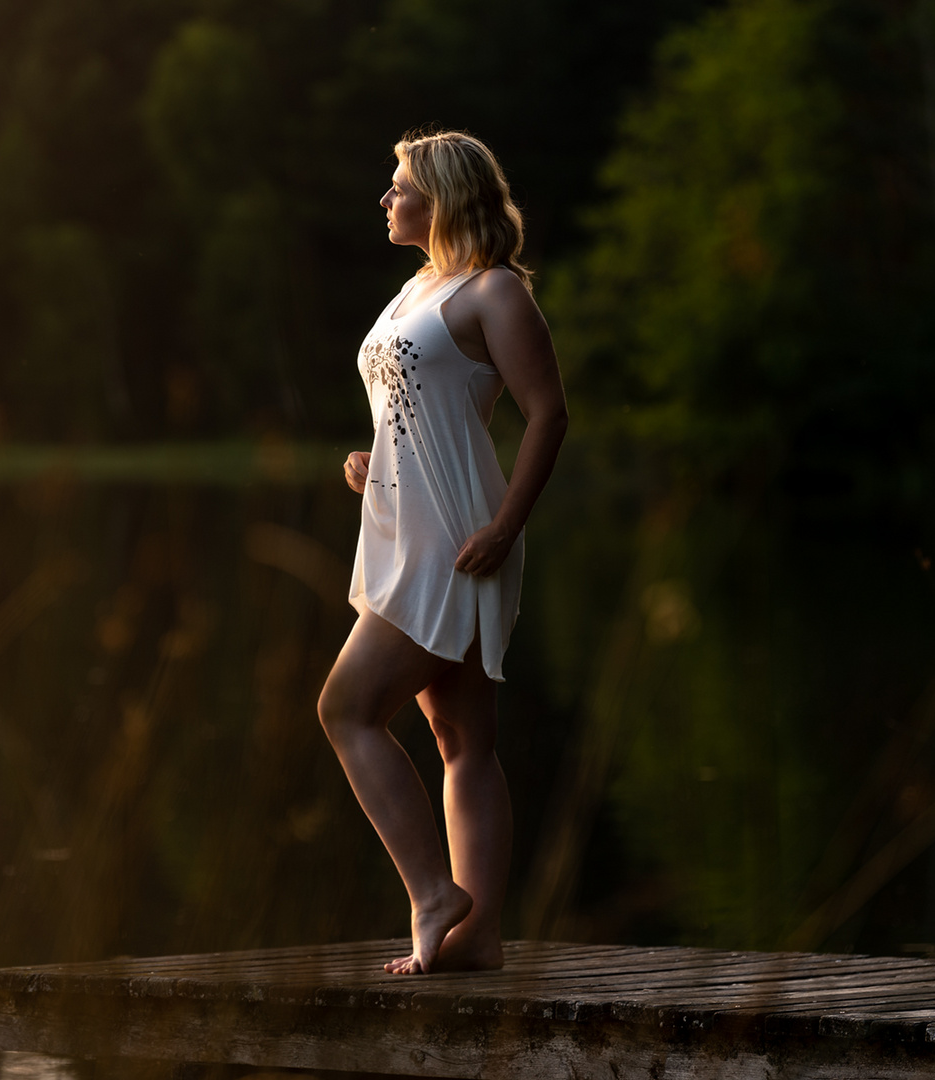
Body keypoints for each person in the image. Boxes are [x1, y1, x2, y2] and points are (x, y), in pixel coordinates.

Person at [318, 130, 568, 975]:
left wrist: (504, 528)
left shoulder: (495, 292)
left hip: (456, 539)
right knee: (463, 740)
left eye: (399, 187)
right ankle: (478, 936)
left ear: (444, 196)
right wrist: (371, 456)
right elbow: (419, 411)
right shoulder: (420, 288)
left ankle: (434, 892)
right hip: (404, 528)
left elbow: (548, 413)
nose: (386, 200)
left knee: (346, 710)